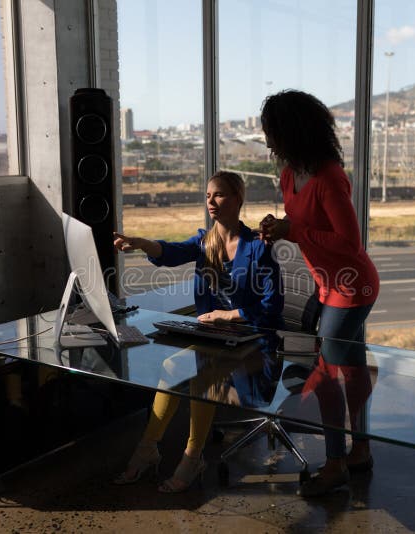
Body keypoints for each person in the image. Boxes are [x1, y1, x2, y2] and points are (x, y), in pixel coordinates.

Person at [112, 170, 284, 492]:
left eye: (218, 194)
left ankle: (190, 455)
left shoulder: (257, 248)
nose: (211, 201)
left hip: (252, 337)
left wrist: (229, 315)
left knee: (191, 369)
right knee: (175, 366)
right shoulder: (206, 242)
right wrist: (139, 243)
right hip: (213, 337)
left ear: (237, 199)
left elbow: (272, 308)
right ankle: (151, 449)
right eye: (207, 195)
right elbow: (170, 251)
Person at [258, 89, 380, 497]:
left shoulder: (330, 177)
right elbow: (302, 223)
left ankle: (334, 465)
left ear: (294, 132)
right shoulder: (290, 174)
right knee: (353, 367)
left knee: (326, 372)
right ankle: (359, 449)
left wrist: (296, 231)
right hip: (328, 284)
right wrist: (280, 225)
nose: (269, 142)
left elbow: (349, 244)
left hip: (352, 285)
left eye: (273, 133)